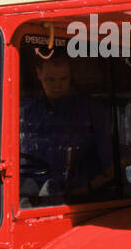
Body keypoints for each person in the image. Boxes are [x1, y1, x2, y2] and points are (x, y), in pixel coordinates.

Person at [20, 48, 117, 204]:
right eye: (50, 80)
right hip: (35, 197)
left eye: (63, 79)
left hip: (81, 201)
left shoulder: (91, 110)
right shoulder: (27, 112)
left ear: (70, 76)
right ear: (39, 74)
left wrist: (86, 189)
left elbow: (116, 161)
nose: (58, 86)